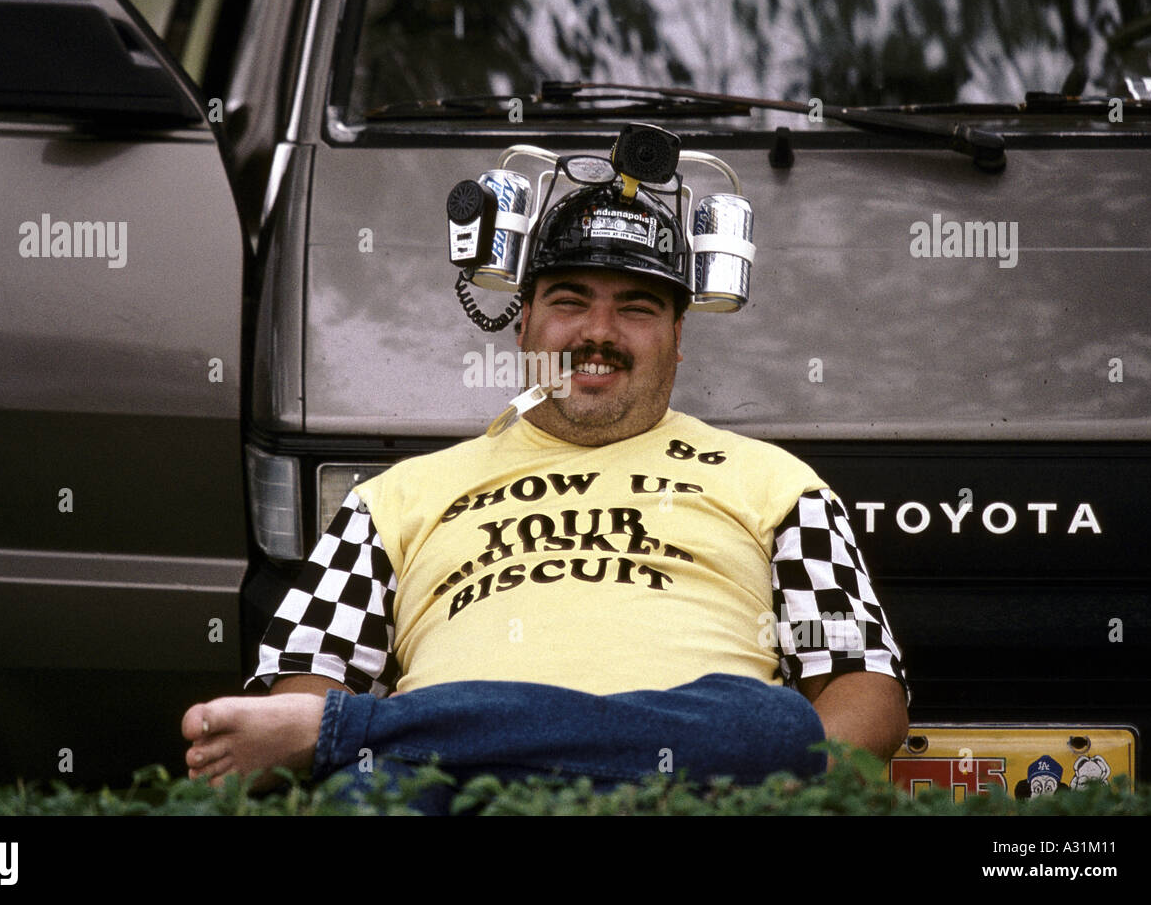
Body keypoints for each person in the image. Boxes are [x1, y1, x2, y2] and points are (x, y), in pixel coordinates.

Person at [182, 167, 909, 809]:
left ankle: (409, 728)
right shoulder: (396, 496)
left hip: (697, 786)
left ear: (679, 338)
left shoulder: (776, 482)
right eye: (569, 300)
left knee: (765, 724)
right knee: (371, 789)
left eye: (637, 307)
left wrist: (784, 794)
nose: (599, 331)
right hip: (452, 793)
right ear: (523, 322)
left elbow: (867, 698)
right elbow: (301, 693)